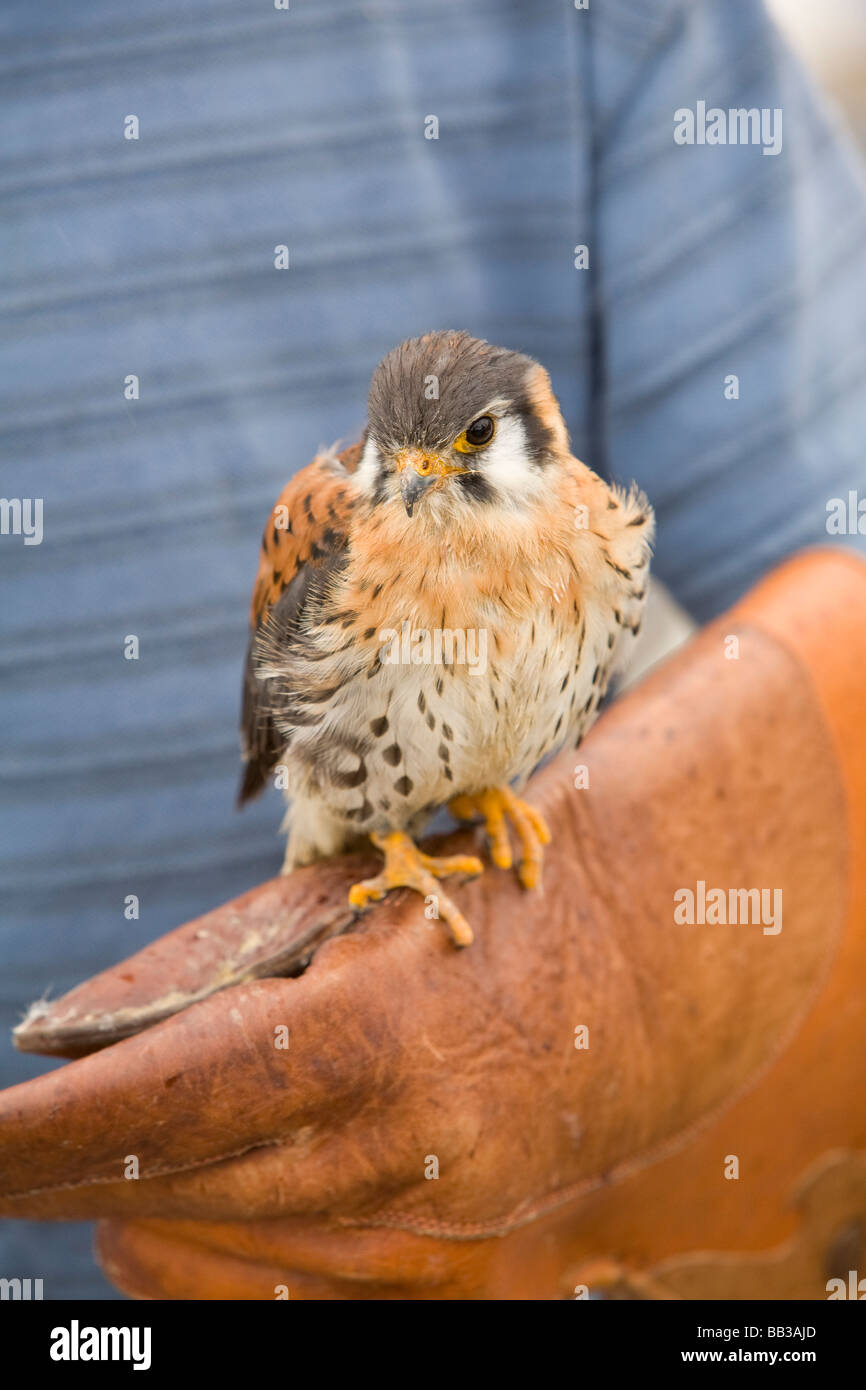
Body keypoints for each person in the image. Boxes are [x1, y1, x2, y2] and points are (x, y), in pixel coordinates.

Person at [1, 0, 865, 1297]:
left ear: (526, 433)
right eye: (393, 459)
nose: (411, 484)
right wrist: (375, 845)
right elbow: (290, 715)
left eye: (456, 454)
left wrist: (641, 926)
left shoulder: (594, 523)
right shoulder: (336, 527)